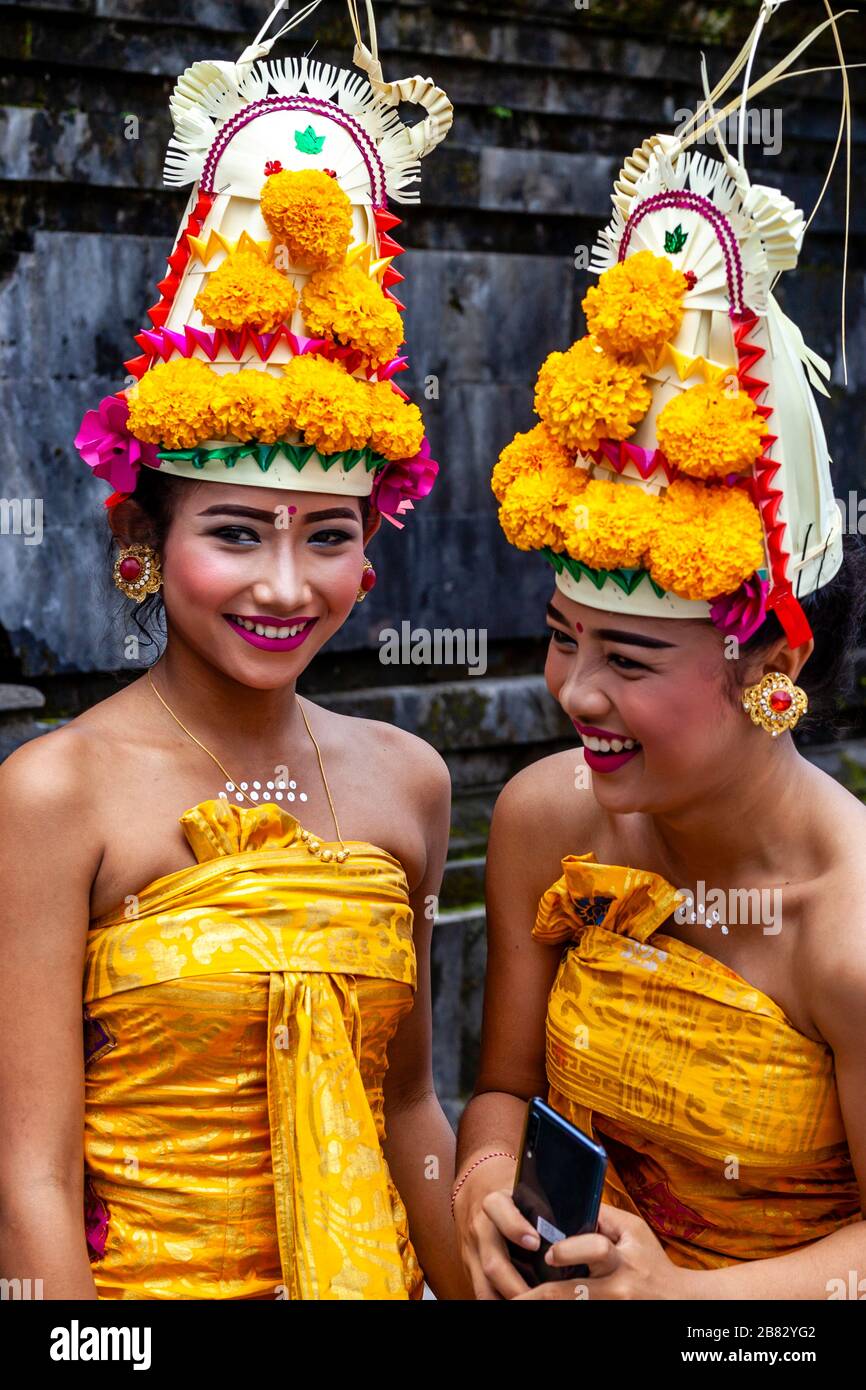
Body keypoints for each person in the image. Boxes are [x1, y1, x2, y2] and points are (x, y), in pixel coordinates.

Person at [0, 0, 468, 1300]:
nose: (283, 582)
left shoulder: (407, 782)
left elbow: (413, 1115)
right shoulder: (56, 793)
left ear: (369, 553)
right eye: (235, 532)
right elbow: (28, 1178)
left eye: (326, 535)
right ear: (142, 538)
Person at [453, 13, 866, 1299]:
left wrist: (691, 1306)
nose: (575, 694)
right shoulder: (541, 820)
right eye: (562, 638)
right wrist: (474, 1192)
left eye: (630, 658)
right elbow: (502, 1092)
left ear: (765, 667)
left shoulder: (848, 927)